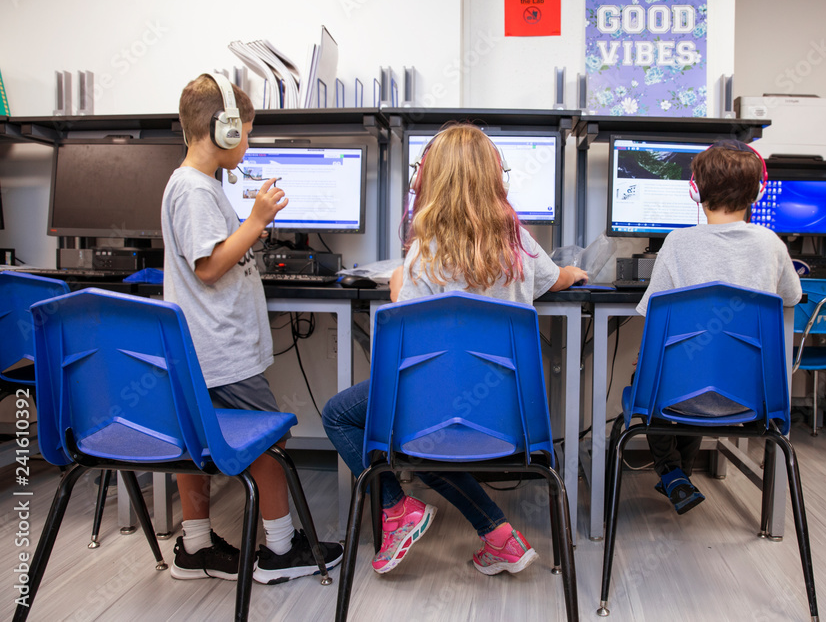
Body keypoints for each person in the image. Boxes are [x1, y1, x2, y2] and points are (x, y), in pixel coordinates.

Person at [322, 123, 587, 576]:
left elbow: (404, 327)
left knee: (347, 415)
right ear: (494, 177)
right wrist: (572, 272)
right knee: (424, 430)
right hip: (514, 416)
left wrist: (397, 285)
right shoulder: (519, 242)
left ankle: (396, 508)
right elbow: (552, 279)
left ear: (429, 180)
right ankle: (499, 537)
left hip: (440, 414)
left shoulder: (423, 251)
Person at [161, 73, 342, 583]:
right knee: (269, 443)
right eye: (247, 131)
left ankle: (195, 547)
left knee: (197, 442)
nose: (249, 142)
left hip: (204, 347)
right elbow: (210, 266)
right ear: (222, 130)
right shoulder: (195, 190)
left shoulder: (193, 184)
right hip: (220, 349)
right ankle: (281, 550)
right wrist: (257, 220)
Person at [635, 139, 802, 515]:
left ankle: (672, 472)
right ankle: (681, 474)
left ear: (695, 191)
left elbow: (655, 314)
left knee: (667, 375)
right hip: (752, 398)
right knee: (694, 372)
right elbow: (791, 297)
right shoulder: (771, 244)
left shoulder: (677, 243)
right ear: (758, 192)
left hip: (680, 398)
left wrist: (642, 360)